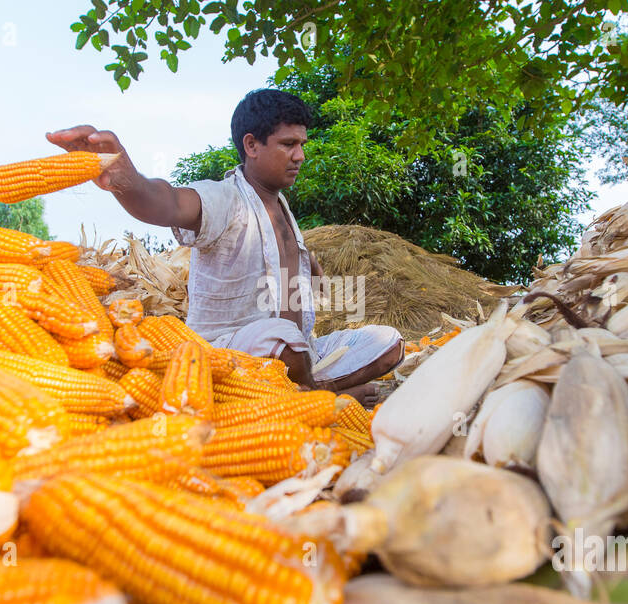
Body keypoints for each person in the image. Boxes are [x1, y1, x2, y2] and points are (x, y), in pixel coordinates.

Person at [46, 88, 404, 405]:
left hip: (298, 351)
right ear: (251, 145)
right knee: (281, 336)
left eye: (302, 145)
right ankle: (319, 400)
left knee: (387, 342)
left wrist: (308, 267)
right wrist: (128, 180)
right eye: (288, 145)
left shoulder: (283, 209)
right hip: (230, 350)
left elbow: (287, 264)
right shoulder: (225, 198)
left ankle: (302, 388)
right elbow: (166, 202)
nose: (300, 156)